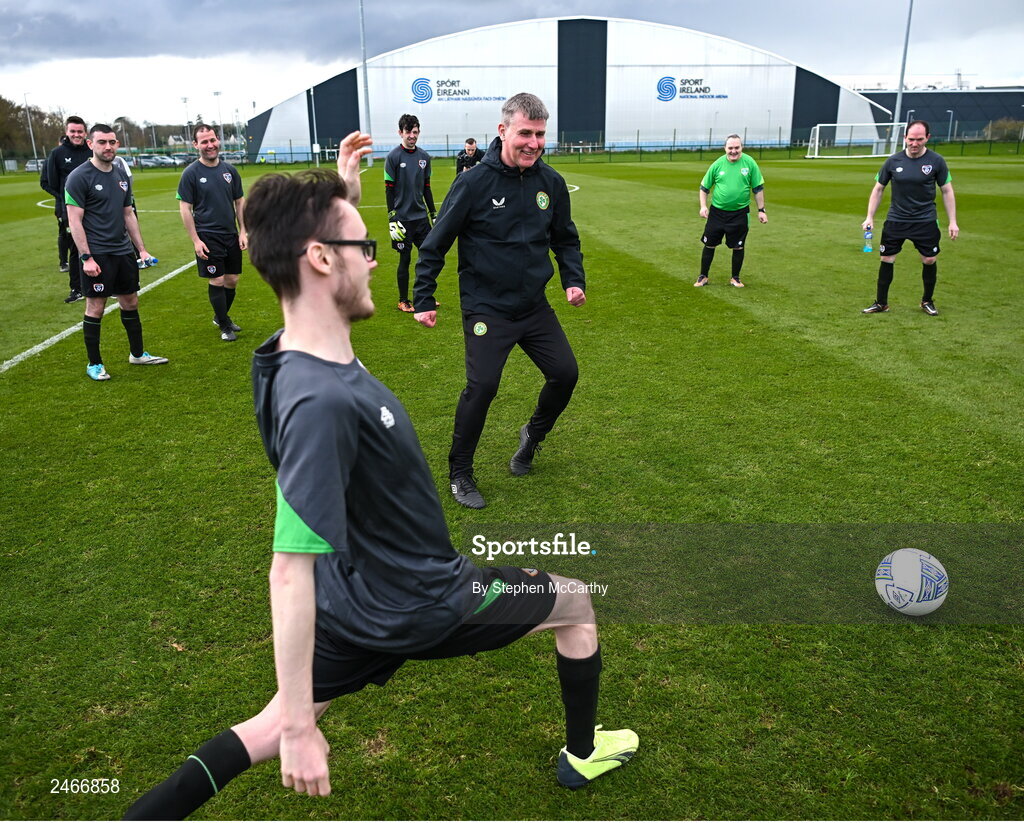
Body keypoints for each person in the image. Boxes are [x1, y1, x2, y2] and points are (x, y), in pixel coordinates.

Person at [123, 131, 636, 820]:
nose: (375, 260)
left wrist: (340, 186)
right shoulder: (322, 400)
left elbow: (302, 241)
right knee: (575, 599)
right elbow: (286, 569)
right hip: (423, 599)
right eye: (362, 247)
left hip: (350, 603)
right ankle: (583, 753)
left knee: (267, 724)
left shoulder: (284, 354)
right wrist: (308, 731)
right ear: (320, 258)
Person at [413, 93, 586, 510]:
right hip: (486, 307)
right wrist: (424, 296)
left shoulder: (551, 184)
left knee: (566, 374)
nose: (533, 143)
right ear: (503, 130)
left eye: (540, 135)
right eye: (525, 133)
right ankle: (460, 472)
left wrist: (572, 280)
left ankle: (532, 437)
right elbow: (436, 243)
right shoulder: (473, 182)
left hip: (533, 307)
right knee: (483, 386)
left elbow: (565, 237)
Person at [65, 124, 168, 381]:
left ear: (117, 144)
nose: (108, 147)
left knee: (131, 301)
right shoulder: (79, 177)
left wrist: (141, 250)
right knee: (95, 307)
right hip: (97, 254)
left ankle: (137, 354)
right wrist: (86, 257)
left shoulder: (120, 172)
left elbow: (127, 213)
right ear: (90, 144)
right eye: (102, 142)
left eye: (112, 142)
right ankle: (94, 363)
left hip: (123, 252)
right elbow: (74, 221)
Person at [861, 120, 959, 316]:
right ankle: (881, 303)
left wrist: (953, 221)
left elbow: (947, 191)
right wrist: (869, 216)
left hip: (925, 220)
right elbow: (878, 189)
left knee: (930, 259)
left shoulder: (936, 161)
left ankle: (927, 301)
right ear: (905, 138)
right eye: (911, 139)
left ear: (927, 138)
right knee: (886, 258)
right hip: (896, 219)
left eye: (919, 140)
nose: (915, 144)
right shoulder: (892, 161)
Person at [178, 123, 247, 341]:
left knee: (232, 279)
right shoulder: (191, 174)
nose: (210, 145)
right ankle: (225, 325)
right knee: (216, 280)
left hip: (231, 235)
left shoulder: (230, 170)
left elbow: (239, 202)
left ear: (218, 140)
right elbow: (185, 209)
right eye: (204, 141)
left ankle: (220, 316)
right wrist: (196, 240)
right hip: (208, 235)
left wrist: (243, 231)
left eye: (213, 140)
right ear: (195, 144)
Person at [694, 134, 767, 288]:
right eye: (730, 148)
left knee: (738, 246)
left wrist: (761, 210)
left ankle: (735, 278)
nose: (733, 151)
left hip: (740, 213)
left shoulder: (749, 163)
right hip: (717, 213)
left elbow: (758, 188)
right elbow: (704, 188)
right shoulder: (717, 164)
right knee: (709, 244)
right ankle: (703, 276)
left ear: (742, 147)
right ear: (725, 148)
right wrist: (703, 206)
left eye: (737, 148)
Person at [385, 114, 435, 312]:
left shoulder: (424, 157)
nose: (412, 136)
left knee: (429, 258)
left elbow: (427, 188)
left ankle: (424, 297)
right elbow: (389, 189)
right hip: (402, 220)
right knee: (405, 259)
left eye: (415, 132)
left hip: (421, 218)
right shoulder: (393, 157)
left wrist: (433, 212)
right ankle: (403, 300)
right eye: (408, 132)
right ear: (400, 133)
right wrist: (392, 218)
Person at [40, 116, 91, 303]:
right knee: (76, 249)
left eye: (80, 131)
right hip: (70, 211)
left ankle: (100, 286)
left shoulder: (92, 151)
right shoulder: (57, 154)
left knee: (100, 247)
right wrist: (66, 202)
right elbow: (50, 183)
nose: (76, 135)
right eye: (73, 131)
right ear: (67, 132)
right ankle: (77, 289)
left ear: (85, 133)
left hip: (94, 210)